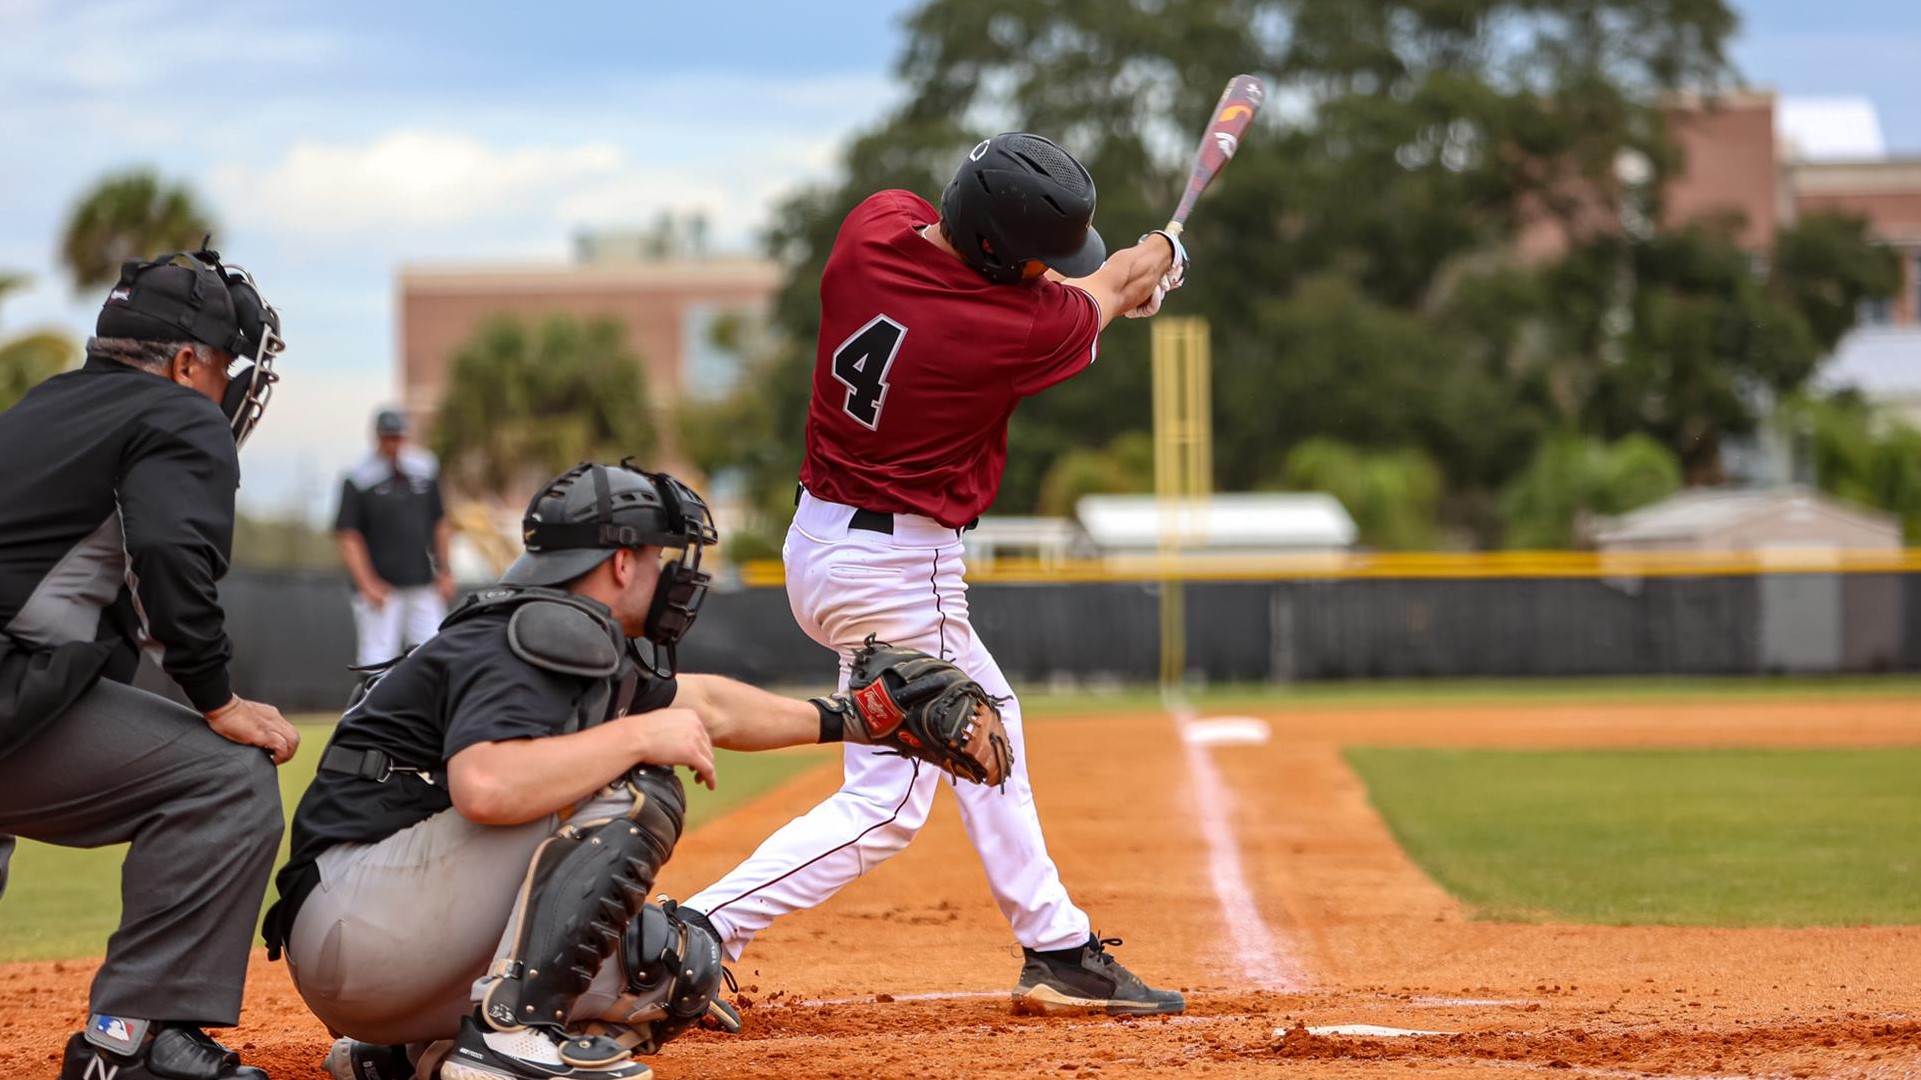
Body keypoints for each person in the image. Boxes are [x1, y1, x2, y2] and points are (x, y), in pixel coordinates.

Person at [268, 460, 996, 1080]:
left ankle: (398, 1057)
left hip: (369, 940)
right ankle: (507, 1040)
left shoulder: (556, 633)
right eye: (658, 557)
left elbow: (706, 705)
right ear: (622, 562)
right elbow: (484, 785)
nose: (669, 575)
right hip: (361, 916)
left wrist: (854, 717)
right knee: (639, 786)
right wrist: (642, 735)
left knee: (674, 968)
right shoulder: (535, 632)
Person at [682, 132, 1189, 1015]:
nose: (1046, 269)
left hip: (823, 538)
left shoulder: (872, 228)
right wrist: (1160, 255)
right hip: (896, 568)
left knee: (993, 725)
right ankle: (688, 936)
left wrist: (1109, 288)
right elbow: (1099, 291)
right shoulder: (998, 329)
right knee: (891, 802)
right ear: (997, 248)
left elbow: (1060, 290)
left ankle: (1056, 945)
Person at [0, 247, 297, 1080]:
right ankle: (126, 1043)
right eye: (225, 366)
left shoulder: (42, 404)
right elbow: (168, 552)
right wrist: (216, 696)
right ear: (188, 360)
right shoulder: (181, 411)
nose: (229, 387)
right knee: (228, 778)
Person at [335, 406, 454, 667]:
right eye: (387, 436)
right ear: (376, 437)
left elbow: (440, 522)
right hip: (382, 588)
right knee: (378, 657)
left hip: (423, 583)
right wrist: (367, 583)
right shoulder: (359, 476)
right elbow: (348, 535)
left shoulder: (424, 467)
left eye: (397, 436)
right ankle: (372, 708)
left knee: (435, 651)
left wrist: (445, 571)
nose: (393, 443)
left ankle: (431, 708)